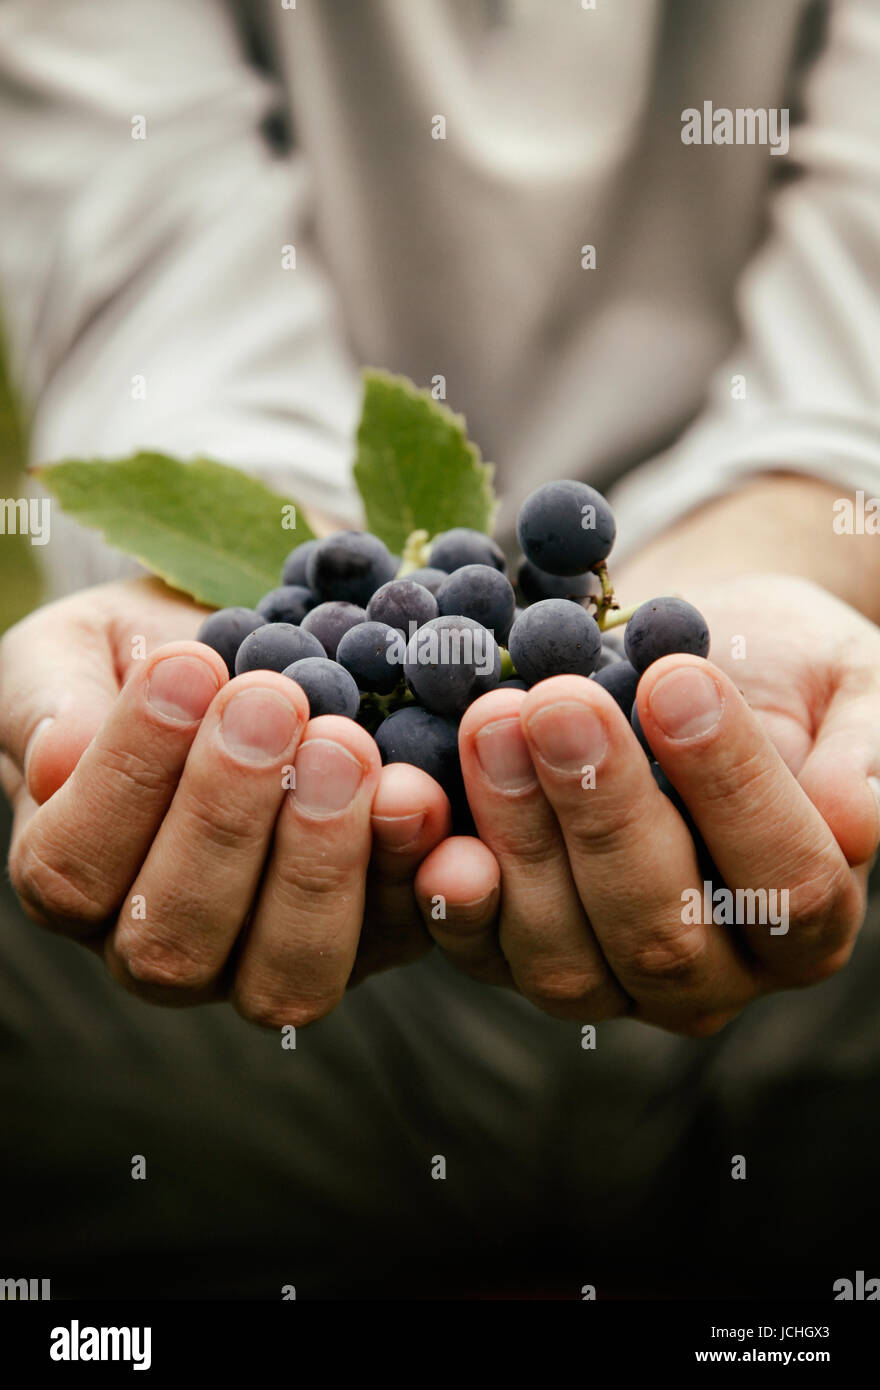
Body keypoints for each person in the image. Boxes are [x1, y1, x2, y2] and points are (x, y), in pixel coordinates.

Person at [0, 0, 878, 1299]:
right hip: (215, 1009)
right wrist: (243, 552)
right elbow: (153, 258)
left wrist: (803, 540)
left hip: (822, 836)